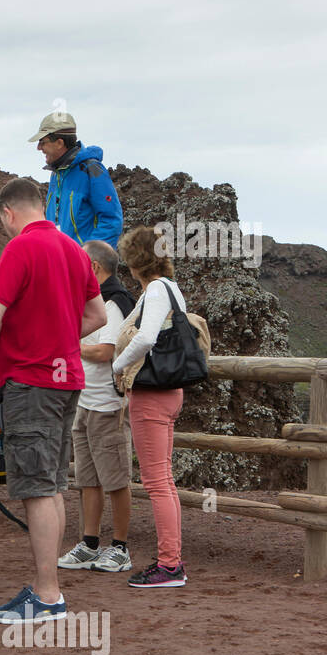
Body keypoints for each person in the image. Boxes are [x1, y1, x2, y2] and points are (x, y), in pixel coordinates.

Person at [0, 177, 106, 625]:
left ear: (8, 213)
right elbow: (99, 315)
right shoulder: (74, 249)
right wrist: (61, 340)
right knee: (51, 484)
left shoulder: (20, 249)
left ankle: (48, 594)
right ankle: (46, 588)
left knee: (35, 486)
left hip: (29, 381)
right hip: (66, 379)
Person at [111, 226, 194, 588]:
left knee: (157, 481)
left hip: (152, 394)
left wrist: (117, 366)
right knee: (165, 480)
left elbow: (146, 337)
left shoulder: (156, 290)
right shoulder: (172, 289)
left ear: (135, 260)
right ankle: (171, 561)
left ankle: (169, 565)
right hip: (170, 392)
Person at [58, 240, 136, 573]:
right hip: (86, 401)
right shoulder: (94, 300)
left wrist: (68, 345)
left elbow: (106, 351)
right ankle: (90, 543)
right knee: (88, 478)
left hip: (107, 402)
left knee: (116, 478)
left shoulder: (114, 303)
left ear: (93, 268)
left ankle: (120, 547)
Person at [29, 111, 123, 249]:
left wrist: (88, 257)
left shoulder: (92, 170)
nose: (39, 148)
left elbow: (111, 221)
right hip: (61, 262)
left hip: (85, 264)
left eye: (43, 142)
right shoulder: (56, 174)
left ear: (60, 143)